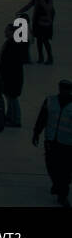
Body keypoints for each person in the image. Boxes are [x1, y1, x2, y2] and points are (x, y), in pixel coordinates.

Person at [33, 79, 72, 208]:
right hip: (51, 140)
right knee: (51, 166)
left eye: (67, 89)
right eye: (62, 89)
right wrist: (36, 132)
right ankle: (57, 184)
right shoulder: (50, 101)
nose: (64, 91)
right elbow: (42, 117)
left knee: (65, 170)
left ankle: (63, 194)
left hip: (67, 143)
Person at [0, 25, 25, 128]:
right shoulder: (12, 43)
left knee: (12, 98)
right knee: (10, 97)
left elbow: (9, 61)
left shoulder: (13, 44)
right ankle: (11, 116)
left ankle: (16, 120)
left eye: (6, 31)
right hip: (11, 75)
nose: (5, 32)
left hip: (12, 76)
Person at [17, 0, 56, 65]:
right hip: (37, 21)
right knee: (39, 39)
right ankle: (40, 57)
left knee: (45, 40)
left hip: (46, 21)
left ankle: (50, 58)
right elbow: (28, 5)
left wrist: (42, 1)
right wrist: (20, 11)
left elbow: (49, 9)